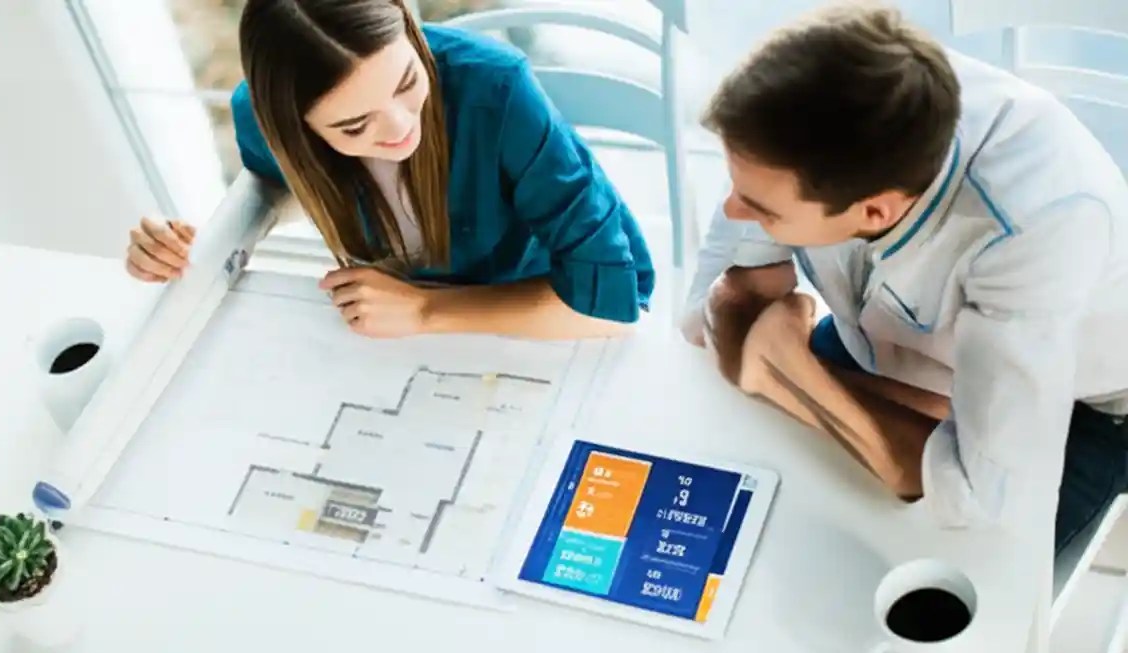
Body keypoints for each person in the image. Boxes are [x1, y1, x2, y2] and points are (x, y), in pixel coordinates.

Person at [680, 2, 1128, 555]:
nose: (731, 209)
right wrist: (787, 371)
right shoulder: (828, 112)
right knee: (745, 509)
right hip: (888, 351)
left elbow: (982, 501)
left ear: (874, 212)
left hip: (1092, 408)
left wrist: (793, 376)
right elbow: (707, 317)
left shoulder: (1038, 227)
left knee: (954, 578)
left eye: (764, 210)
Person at [124, 0, 654, 340]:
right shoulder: (257, 117)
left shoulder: (498, 87)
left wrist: (427, 310)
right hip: (400, 331)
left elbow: (610, 307)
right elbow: (278, 187)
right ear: (294, 130)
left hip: (537, 311)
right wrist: (195, 242)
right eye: (354, 127)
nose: (402, 128)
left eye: (408, 81)